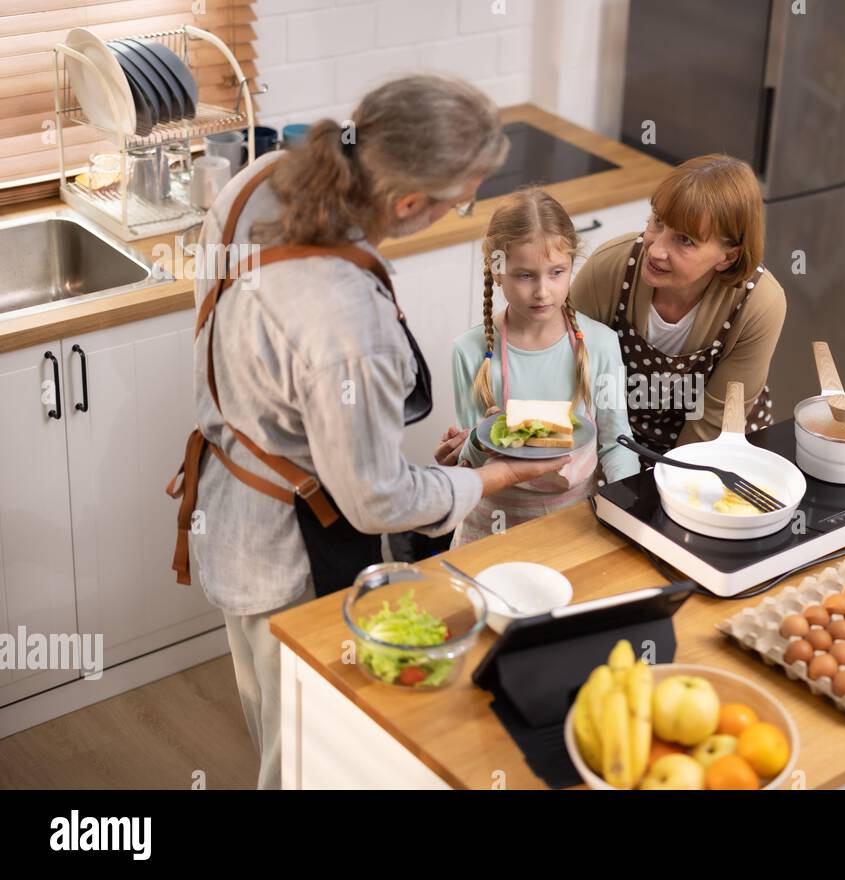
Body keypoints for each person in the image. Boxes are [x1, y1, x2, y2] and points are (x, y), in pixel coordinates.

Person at [166, 75, 565, 789]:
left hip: (227, 511)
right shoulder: (349, 321)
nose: (464, 208)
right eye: (461, 196)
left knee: (269, 709)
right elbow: (375, 500)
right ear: (409, 203)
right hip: (297, 550)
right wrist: (488, 478)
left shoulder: (258, 178)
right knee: (306, 754)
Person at [449, 187, 640, 545]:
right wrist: (479, 437)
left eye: (556, 272)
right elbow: (467, 462)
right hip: (491, 529)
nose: (542, 291)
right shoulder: (469, 351)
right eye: (525, 275)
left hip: (574, 524)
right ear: (497, 270)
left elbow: (615, 442)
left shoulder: (600, 344)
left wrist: (626, 502)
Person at [569, 154, 786, 457]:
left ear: (728, 257)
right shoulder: (610, 269)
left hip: (720, 442)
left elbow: (714, 420)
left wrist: (668, 483)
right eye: (658, 221)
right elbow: (571, 372)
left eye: (684, 240)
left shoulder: (759, 304)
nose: (656, 250)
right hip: (617, 438)